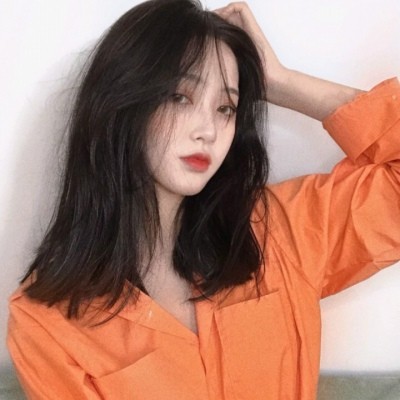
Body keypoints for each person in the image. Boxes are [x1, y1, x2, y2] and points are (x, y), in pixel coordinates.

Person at [7, 0, 400, 399]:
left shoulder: (280, 233)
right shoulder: (48, 324)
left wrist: (279, 82)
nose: (208, 130)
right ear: (122, 101)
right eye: (181, 97)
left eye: (226, 107)